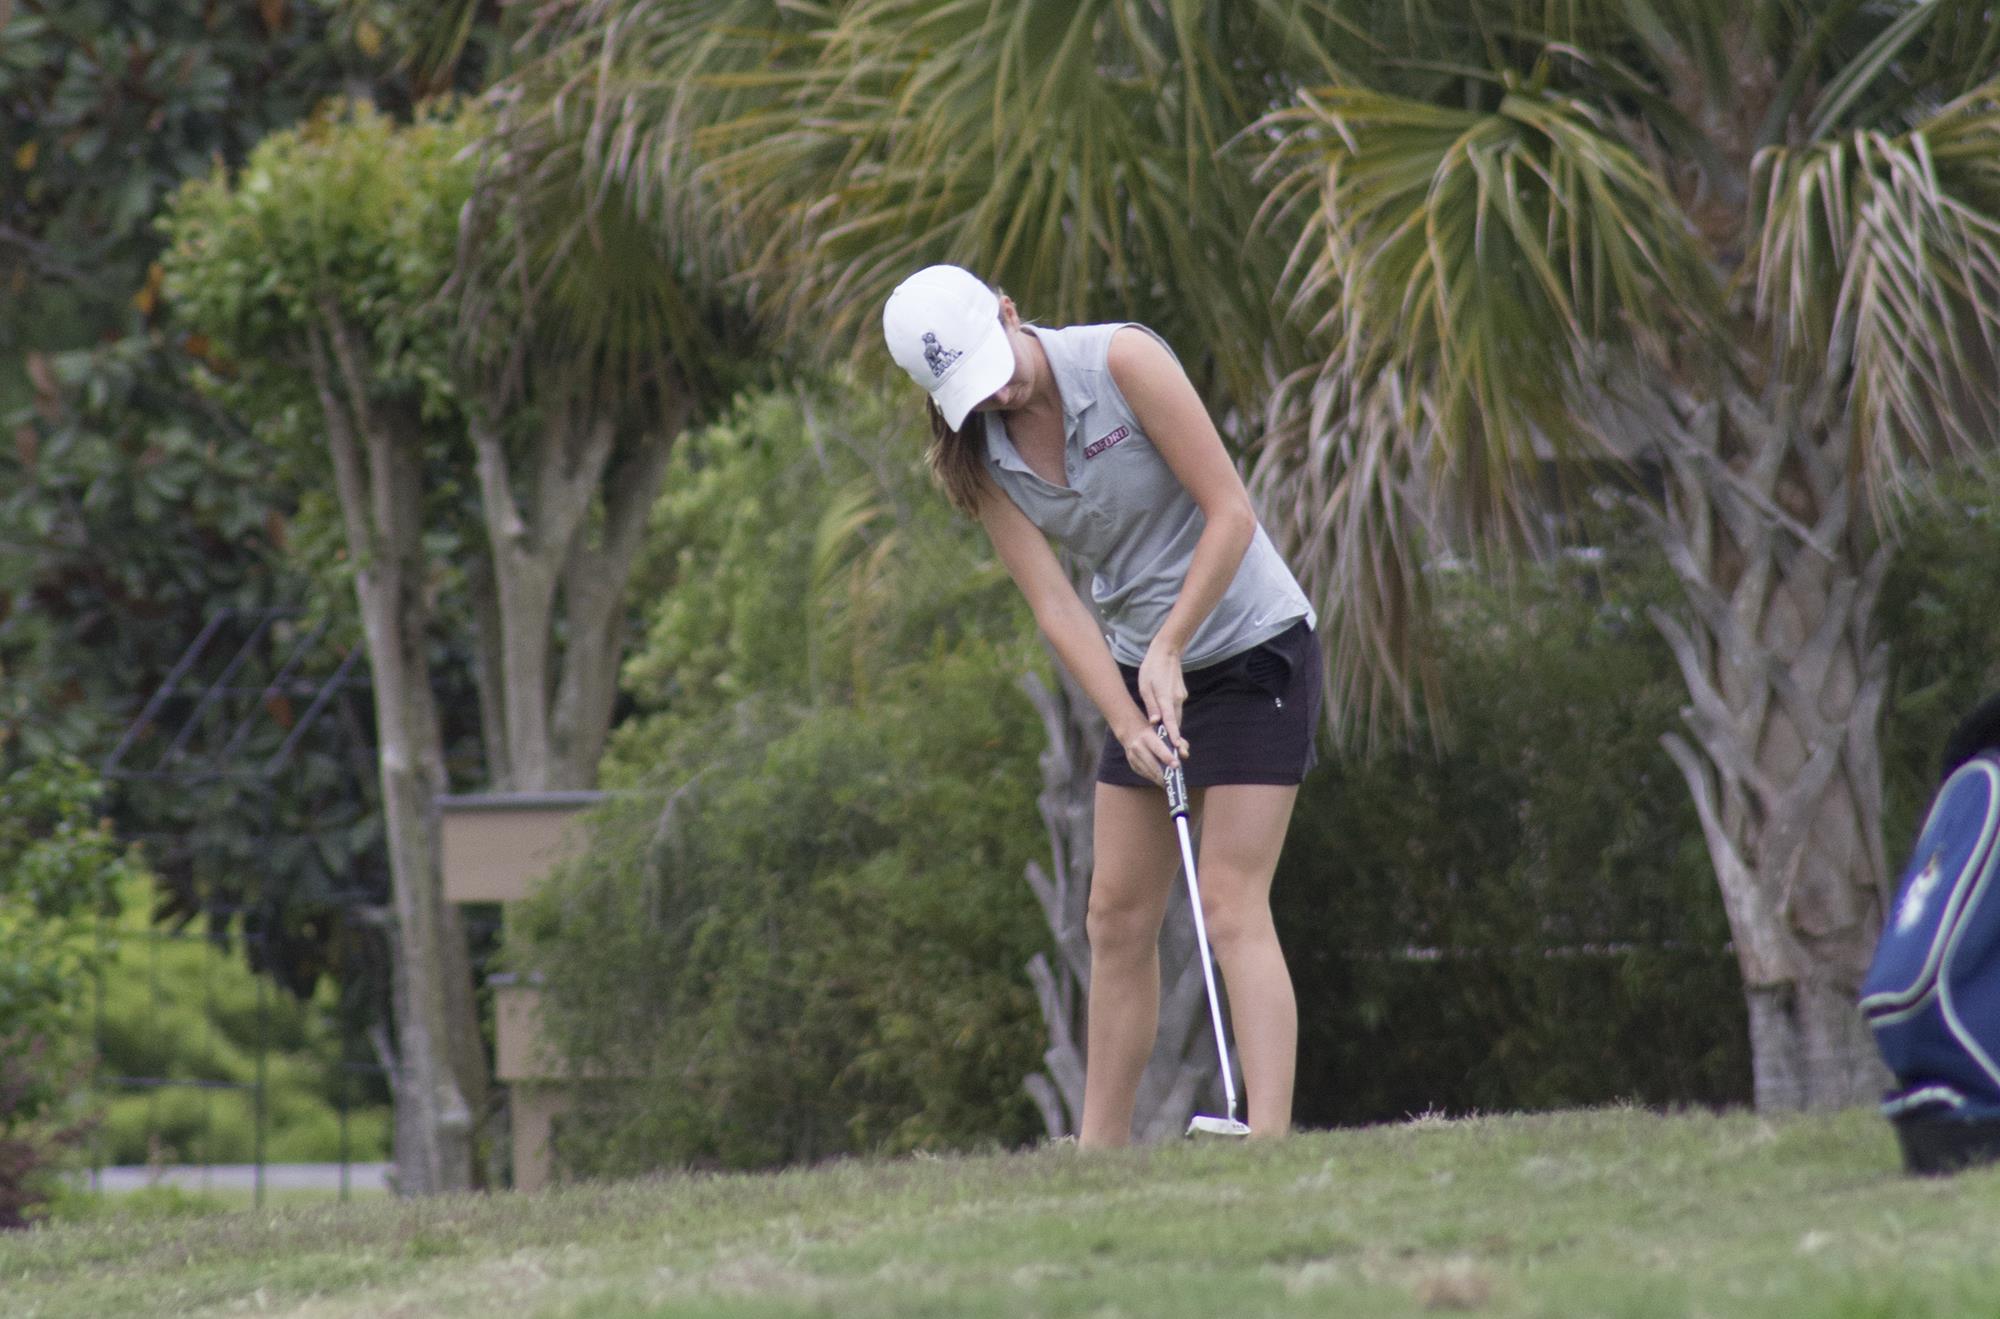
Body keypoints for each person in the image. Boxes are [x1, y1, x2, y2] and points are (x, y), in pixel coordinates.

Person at [881, 264, 1323, 1145]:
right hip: (1139, 673)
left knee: (1231, 899)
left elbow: (1231, 512)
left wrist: (1168, 645)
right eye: (971, 388)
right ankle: (1098, 1157)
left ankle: (1267, 1145)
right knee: (1115, 914)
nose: (1000, 390)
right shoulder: (980, 451)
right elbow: (1055, 603)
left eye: (996, 362)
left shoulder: (1122, 361)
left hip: (1253, 646)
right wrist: (1126, 718)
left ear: (1008, 310)